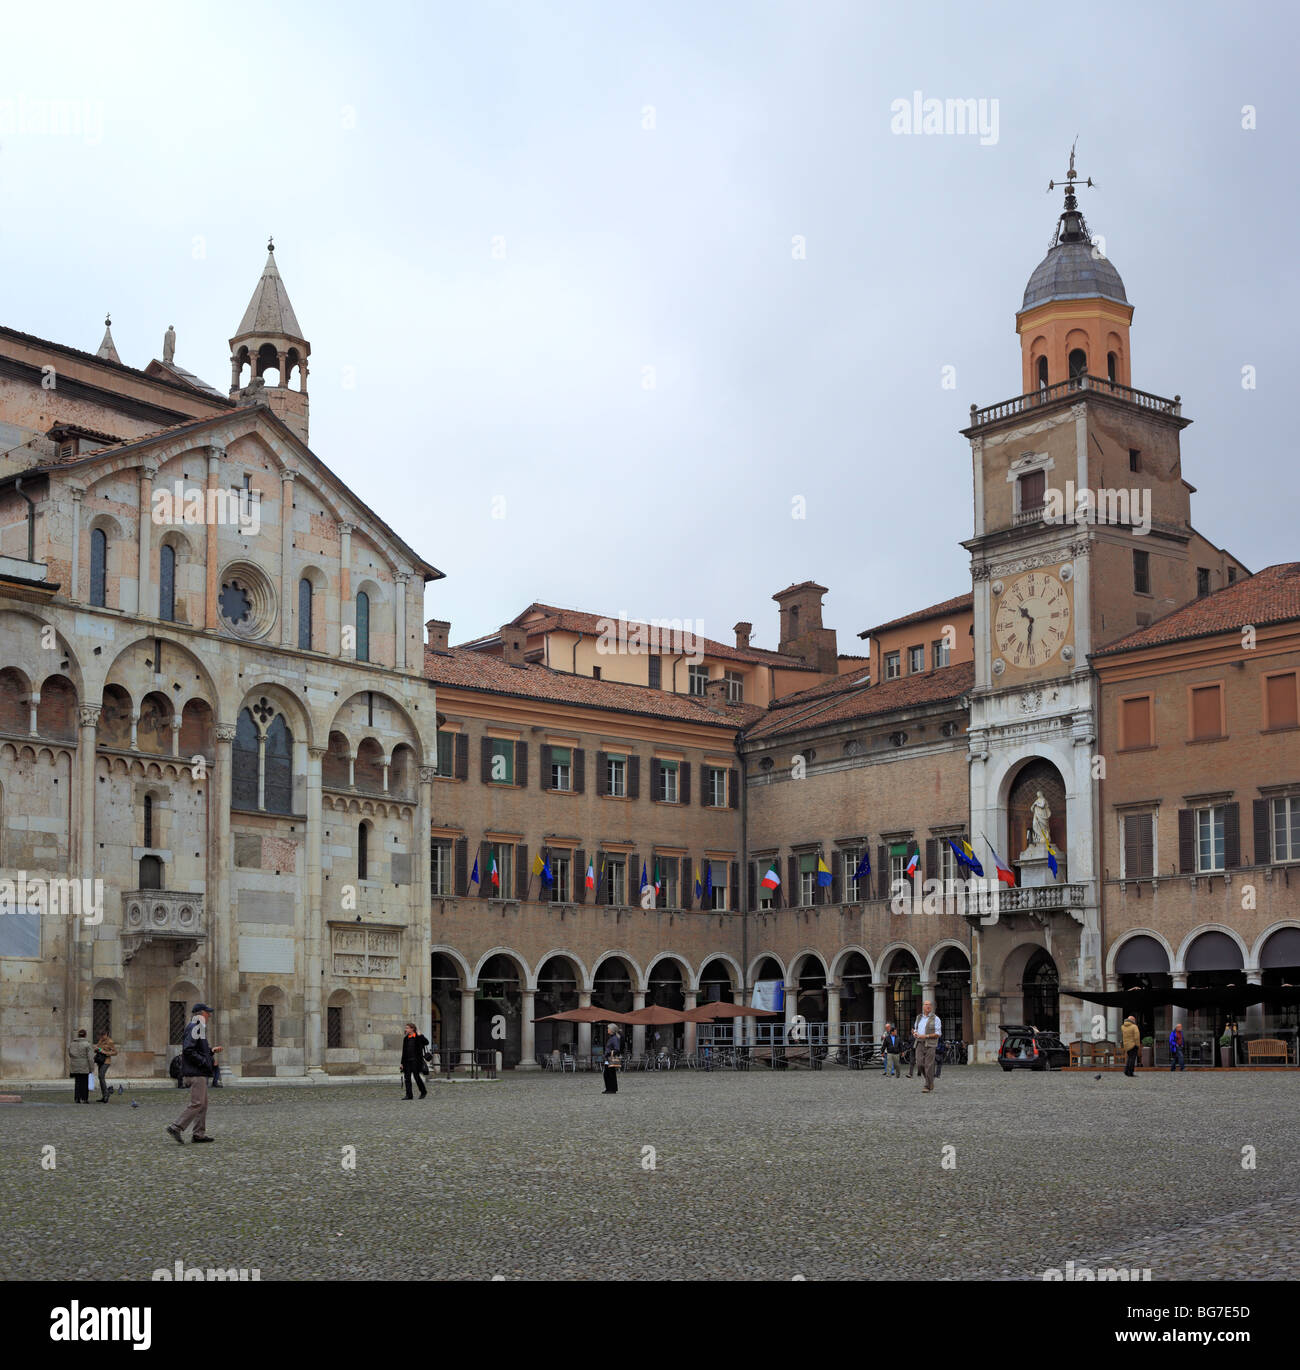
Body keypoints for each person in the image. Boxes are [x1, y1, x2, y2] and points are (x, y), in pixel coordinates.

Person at [166, 1003, 221, 1143]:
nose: (209, 1016)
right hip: (196, 1072)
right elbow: (188, 1050)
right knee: (197, 1103)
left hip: (198, 1071)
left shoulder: (198, 1028)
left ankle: (198, 1134)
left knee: (203, 1104)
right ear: (201, 1013)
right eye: (207, 1013)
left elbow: (196, 1050)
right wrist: (204, 1061)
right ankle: (176, 1127)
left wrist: (211, 1051)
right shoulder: (196, 1027)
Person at [912, 1001, 942, 1093]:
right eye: (926, 1005)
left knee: (928, 1065)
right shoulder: (918, 1017)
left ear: (932, 1007)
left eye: (929, 1005)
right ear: (923, 1007)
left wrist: (926, 1036)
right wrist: (914, 1033)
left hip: (930, 1044)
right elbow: (915, 1029)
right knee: (920, 1064)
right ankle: (930, 1081)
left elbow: (938, 1034)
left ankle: (927, 1085)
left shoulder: (936, 1019)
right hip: (919, 1043)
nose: (928, 1006)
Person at [400, 1022, 429, 1099]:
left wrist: (421, 1035)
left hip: (416, 1061)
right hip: (407, 1061)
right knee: (407, 1078)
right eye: (406, 1028)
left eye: (407, 1028)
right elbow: (404, 1052)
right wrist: (402, 1063)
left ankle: (423, 1091)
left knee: (417, 1077)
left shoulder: (418, 1037)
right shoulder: (406, 1039)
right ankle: (409, 1095)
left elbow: (426, 1042)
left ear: (412, 1029)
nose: (405, 1029)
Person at [68, 1029, 93, 1103]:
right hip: (84, 1066)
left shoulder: (72, 1044)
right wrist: (91, 1068)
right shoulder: (87, 1044)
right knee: (84, 1083)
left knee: (77, 1082)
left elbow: (70, 1054)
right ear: (85, 1035)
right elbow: (90, 1058)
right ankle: (84, 1098)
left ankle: (77, 1098)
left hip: (75, 1065)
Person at [94, 1030, 118, 1102]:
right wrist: (97, 1049)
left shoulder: (110, 1042)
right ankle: (104, 1095)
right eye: (101, 1035)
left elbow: (115, 1052)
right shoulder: (100, 1040)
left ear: (107, 1035)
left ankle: (106, 1094)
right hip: (100, 1061)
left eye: (103, 1035)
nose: (102, 1037)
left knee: (101, 1076)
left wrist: (105, 1052)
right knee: (100, 1078)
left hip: (106, 1061)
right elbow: (97, 1048)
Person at [602, 1024, 621, 1095]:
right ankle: (609, 1088)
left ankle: (612, 1089)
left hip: (611, 1058)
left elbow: (617, 1049)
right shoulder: (611, 1037)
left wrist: (608, 1053)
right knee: (607, 1074)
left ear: (612, 1030)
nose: (607, 1029)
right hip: (608, 1059)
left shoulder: (614, 1038)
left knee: (610, 1074)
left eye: (608, 1028)